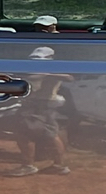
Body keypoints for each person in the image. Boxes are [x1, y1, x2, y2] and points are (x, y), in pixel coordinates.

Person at [13, 45, 71, 176]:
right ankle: (59, 165)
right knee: (51, 134)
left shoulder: (52, 69)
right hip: (43, 104)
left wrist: (47, 73)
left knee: (25, 134)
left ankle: (28, 165)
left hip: (39, 104)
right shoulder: (47, 69)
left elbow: (69, 77)